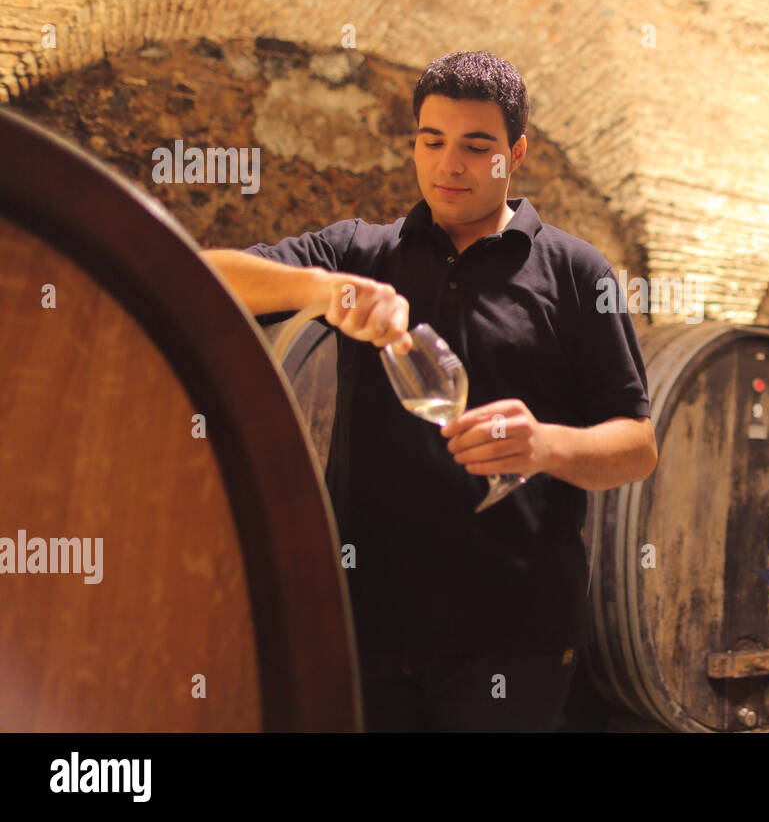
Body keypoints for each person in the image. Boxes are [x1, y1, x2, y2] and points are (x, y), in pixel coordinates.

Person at [202, 50, 657, 731]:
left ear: (517, 152)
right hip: (368, 622)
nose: (449, 165)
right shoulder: (362, 250)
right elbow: (204, 274)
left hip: (516, 629)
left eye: (477, 147)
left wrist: (545, 445)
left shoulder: (573, 270)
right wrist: (324, 290)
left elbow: (638, 445)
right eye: (431, 141)